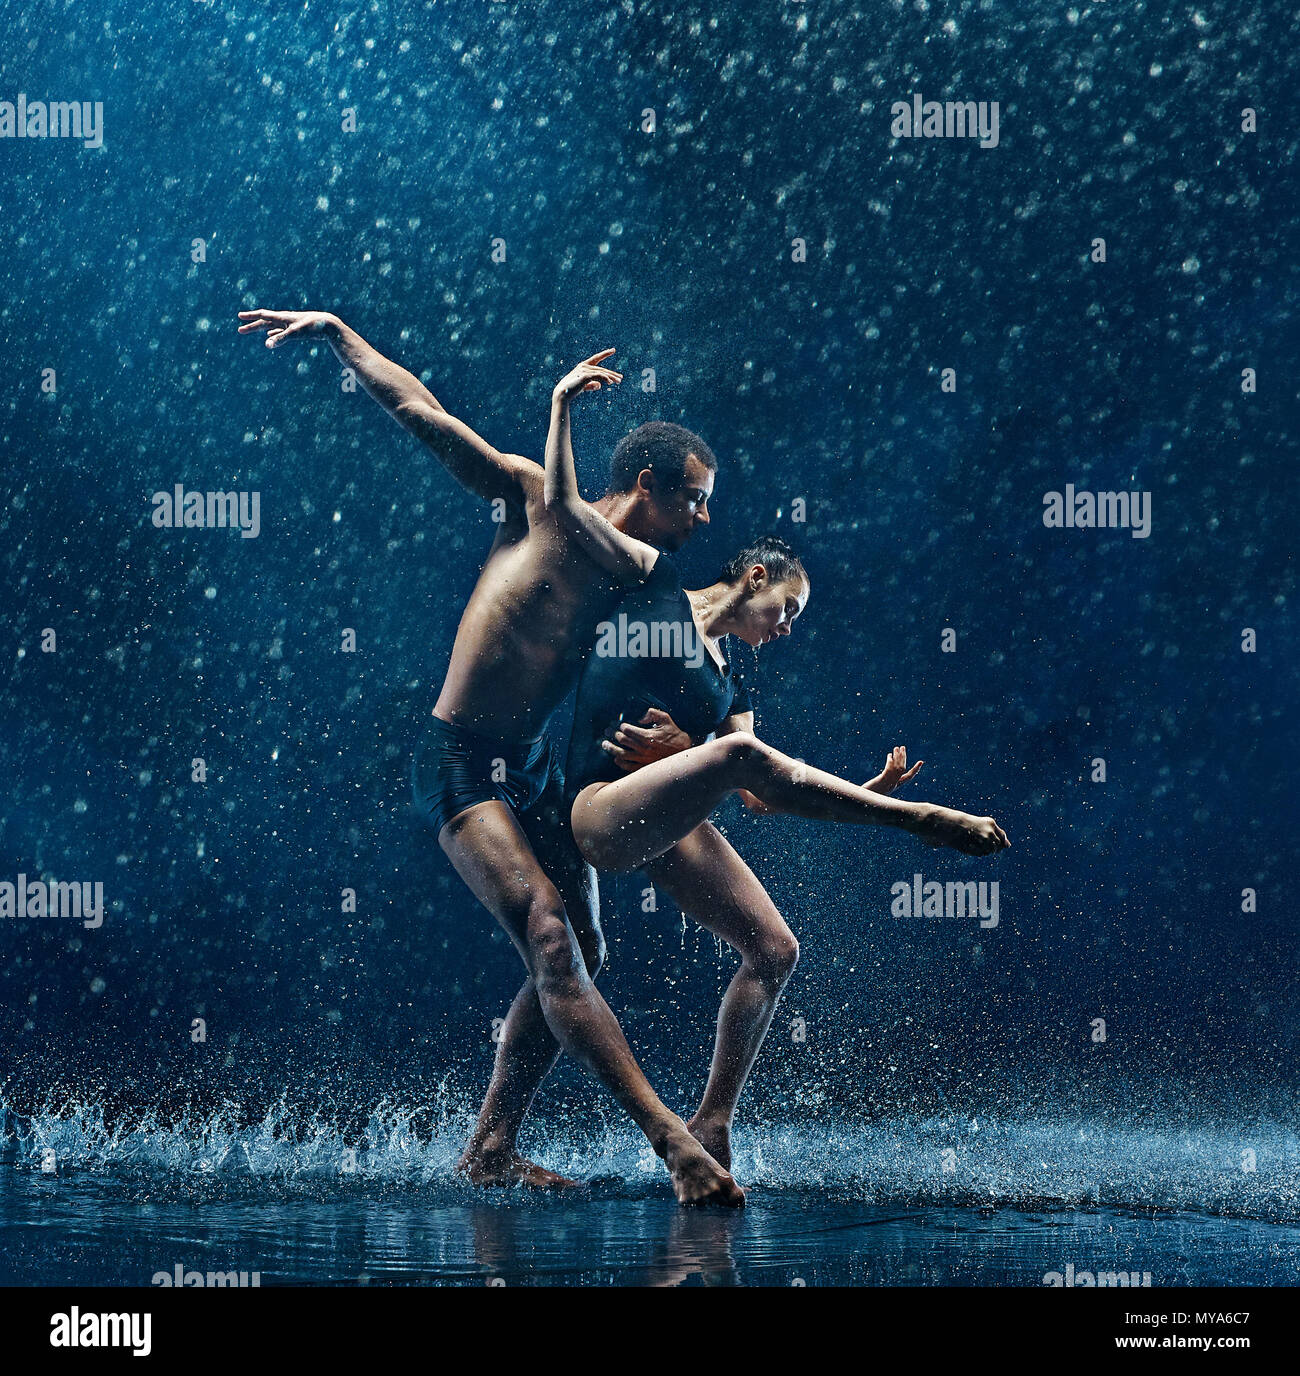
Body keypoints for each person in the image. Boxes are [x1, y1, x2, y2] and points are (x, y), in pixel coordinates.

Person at [237, 314, 743, 1206]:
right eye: (695, 499)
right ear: (646, 485)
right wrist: (337, 333)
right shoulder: (526, 495)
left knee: (583, 943)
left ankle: (490, 1148)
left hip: (536, 765)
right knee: (552, 935)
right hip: (460, 762)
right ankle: (675, 1146)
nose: (705, 519)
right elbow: (421, 410)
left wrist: (696, 740)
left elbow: (704, 652)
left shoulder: (636, 574)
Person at [547, 354, 1011, 1171]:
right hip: (591, 806)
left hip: (659, 816)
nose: (787, 629)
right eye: (786, 608)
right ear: (754, 578)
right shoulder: (650, 592)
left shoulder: (728, 687)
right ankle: (918, 826)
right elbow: (569, 519)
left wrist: (855, 786)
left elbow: (761, 790)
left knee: (775, 948)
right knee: (572, 940)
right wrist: (564, 415)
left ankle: (713, 1119)